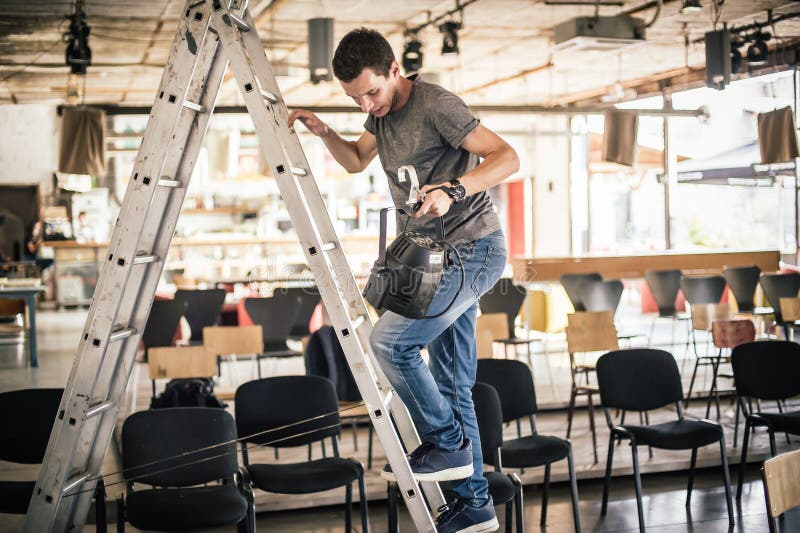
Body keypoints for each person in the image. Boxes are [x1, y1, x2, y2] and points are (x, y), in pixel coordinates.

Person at [289, 28, 518, 533]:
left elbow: (507, 158)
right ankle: (475, 504)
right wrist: (324, 130)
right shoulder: (379, 113)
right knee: (455, 386)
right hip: (427, 262)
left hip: (472, 251)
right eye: (355, 98)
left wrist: (453, 190)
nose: (367, 104)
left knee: (390, 342)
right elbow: (355, 160)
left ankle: (447, 443)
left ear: (395, 70)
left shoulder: (437, 105)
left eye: (371, 91)